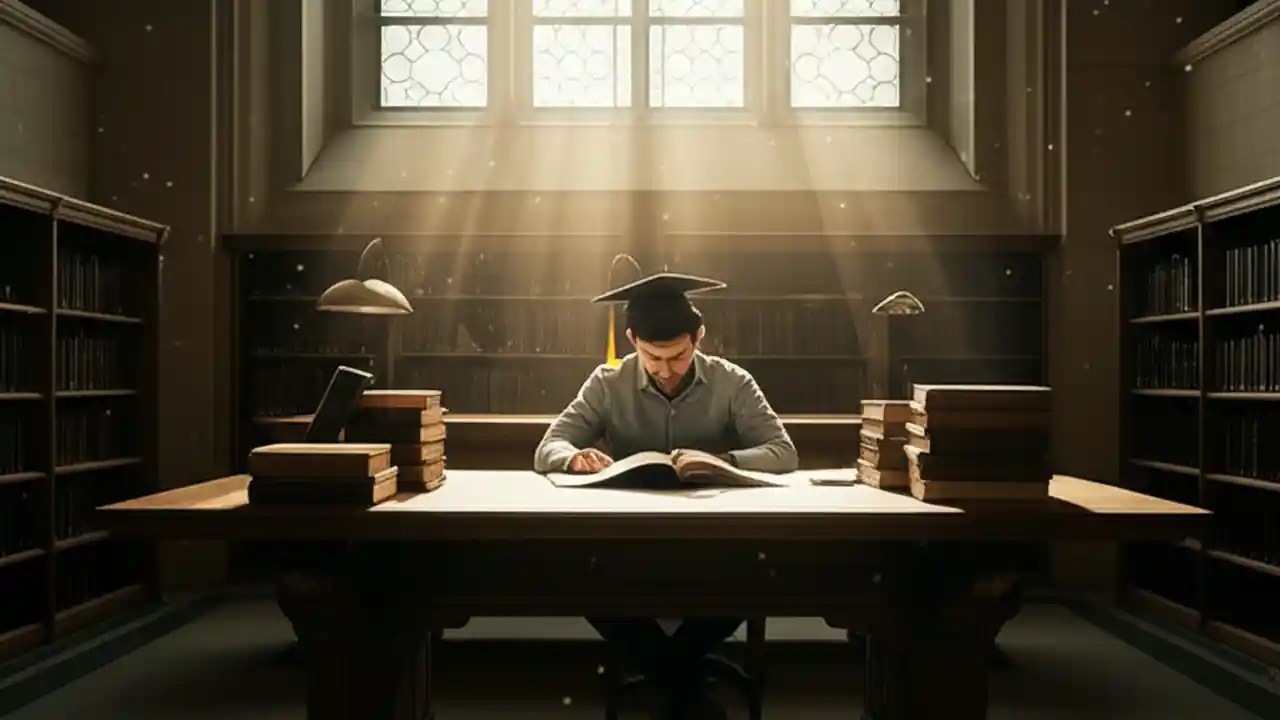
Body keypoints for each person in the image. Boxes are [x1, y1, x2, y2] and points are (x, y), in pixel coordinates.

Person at [534, 272, 798, 718]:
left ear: (699, 336)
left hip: (716, 540)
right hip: (629, 539)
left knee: (752, 577)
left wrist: (724, 462)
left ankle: (665, 677)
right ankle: (685, 684)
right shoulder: (607, 382)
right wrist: (575, 459)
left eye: (678, 355)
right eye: (651, 356)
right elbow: (549, 447)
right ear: (633, 339)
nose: (665, 369)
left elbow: (783, 452)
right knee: (580, 580)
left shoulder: (732, 382)